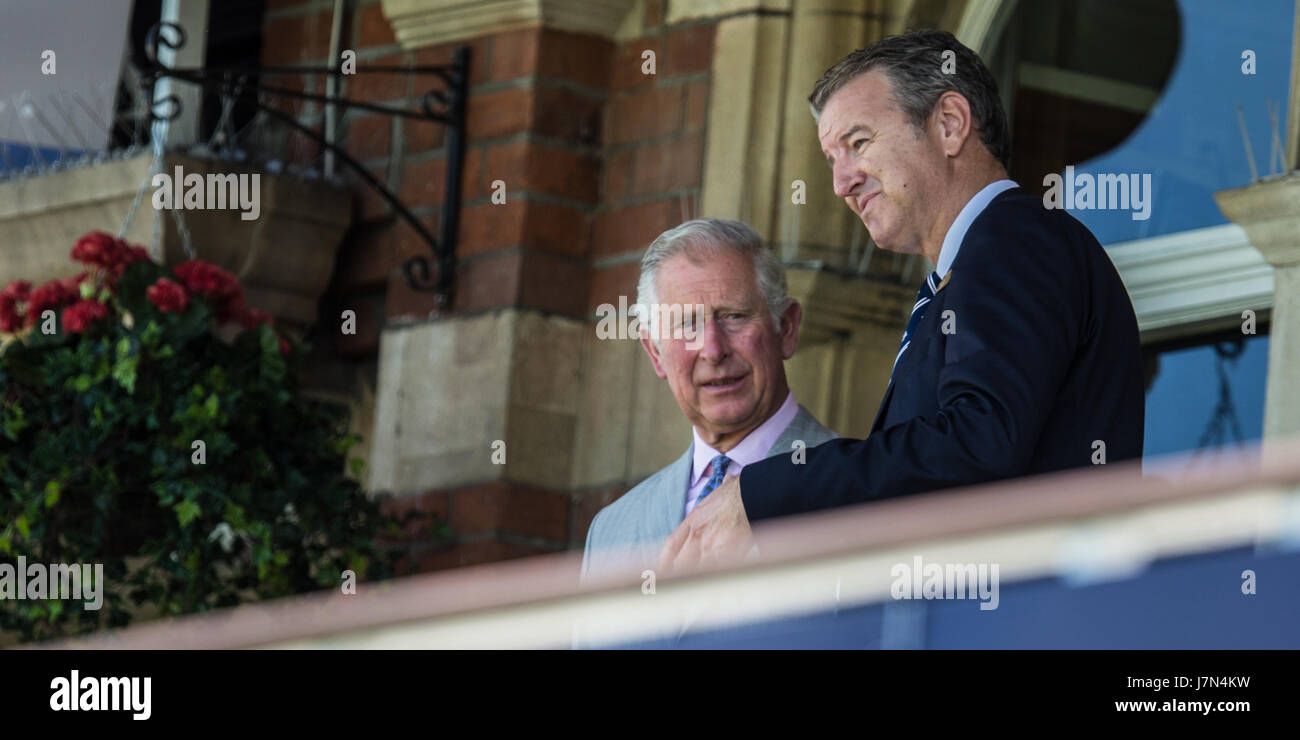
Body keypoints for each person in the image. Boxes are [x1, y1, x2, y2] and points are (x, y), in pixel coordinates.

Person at [658, 29, 1145, 573]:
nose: (842, 183)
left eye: (859, 142)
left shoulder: (1015, 238)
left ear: (949, 124)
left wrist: (765, 492)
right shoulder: (959, 273)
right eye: (831, 159)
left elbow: (980, 443)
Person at [581, 218, 837, 582]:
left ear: (787, 328)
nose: (713, 350)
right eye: (687, 325)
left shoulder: (857, 487)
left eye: (734, 316)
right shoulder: (611, 532)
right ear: (655, 353)